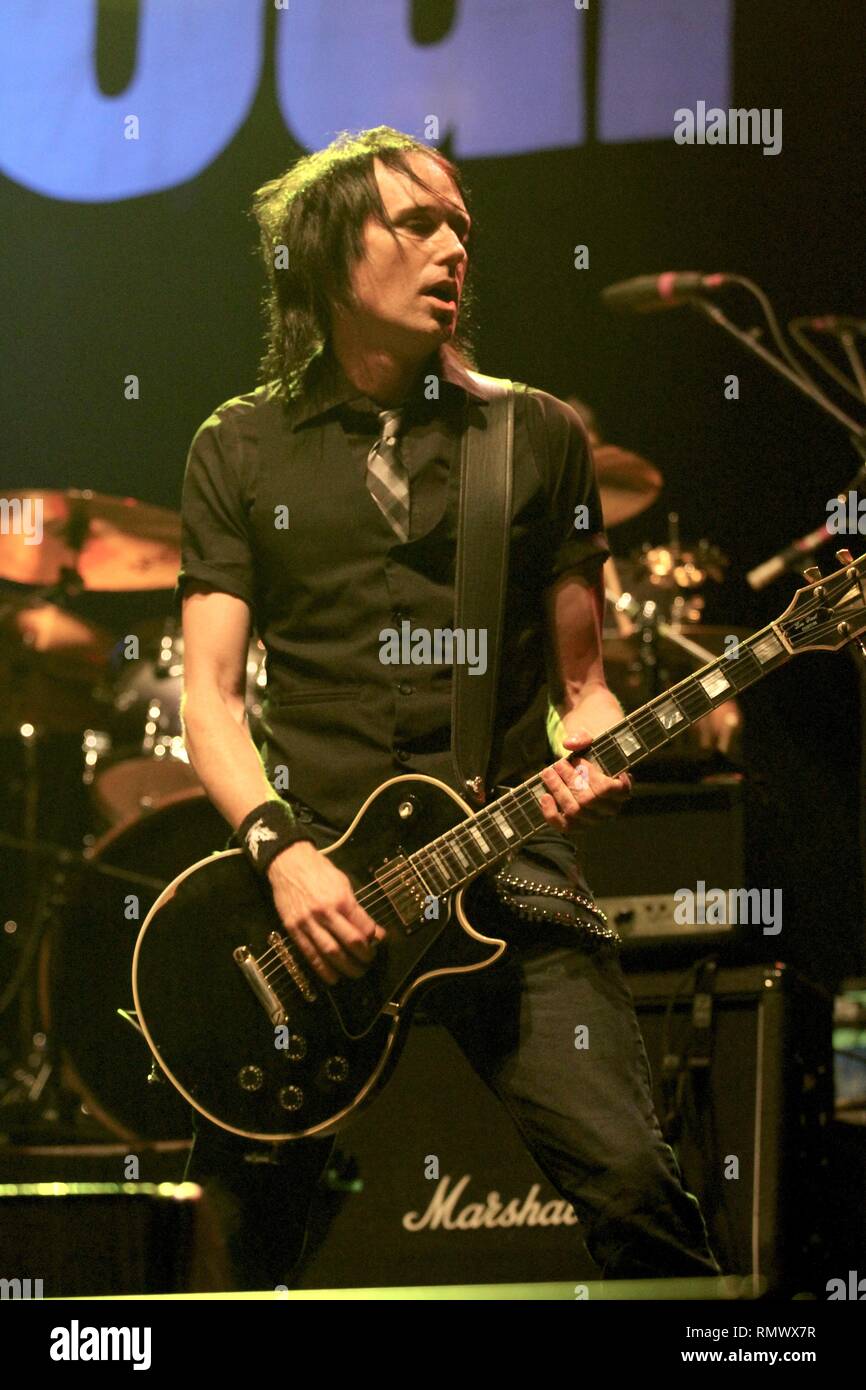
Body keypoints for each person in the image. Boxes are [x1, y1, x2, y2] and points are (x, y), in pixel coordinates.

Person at [177, 125, 720, 1290]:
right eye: (413, 223)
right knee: (226, 1239)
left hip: (504, 877)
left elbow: (586, 687)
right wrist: (280, 855)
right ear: (327, 255)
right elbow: (211, 697)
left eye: (459, 225)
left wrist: (589, 744)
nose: (449, 246)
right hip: (310, 905)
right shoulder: (239, 447)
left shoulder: (532, 436)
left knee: (635, 1188)